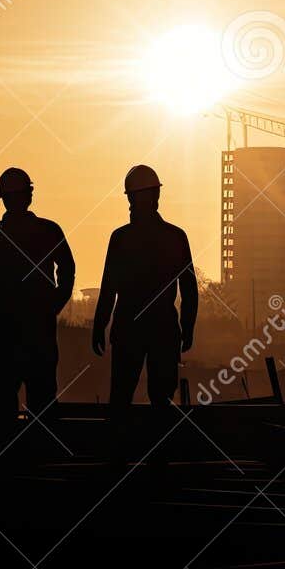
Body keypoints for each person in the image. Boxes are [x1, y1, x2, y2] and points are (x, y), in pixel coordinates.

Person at [92, 165, 197, 423]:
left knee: (122, 399)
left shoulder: (122, 238)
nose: (130, 202)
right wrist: (187, 327)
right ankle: (156, 446)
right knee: (160, 400)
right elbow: (189, 289)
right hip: (163, 329)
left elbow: (109, 288)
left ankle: (121, 446)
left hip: (130, 328)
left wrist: (100, 325)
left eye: (132, 196)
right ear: (156, 195)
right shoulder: (174, 237)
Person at [0, 167, 75, 428]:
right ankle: (39, 451)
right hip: (37, 335)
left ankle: (7, 452)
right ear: (29, 195)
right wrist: (53, 305)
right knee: (42, 407)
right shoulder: (48, 231)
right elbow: (67, 270)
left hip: (4, 337)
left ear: (4, 199)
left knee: (3, 408)